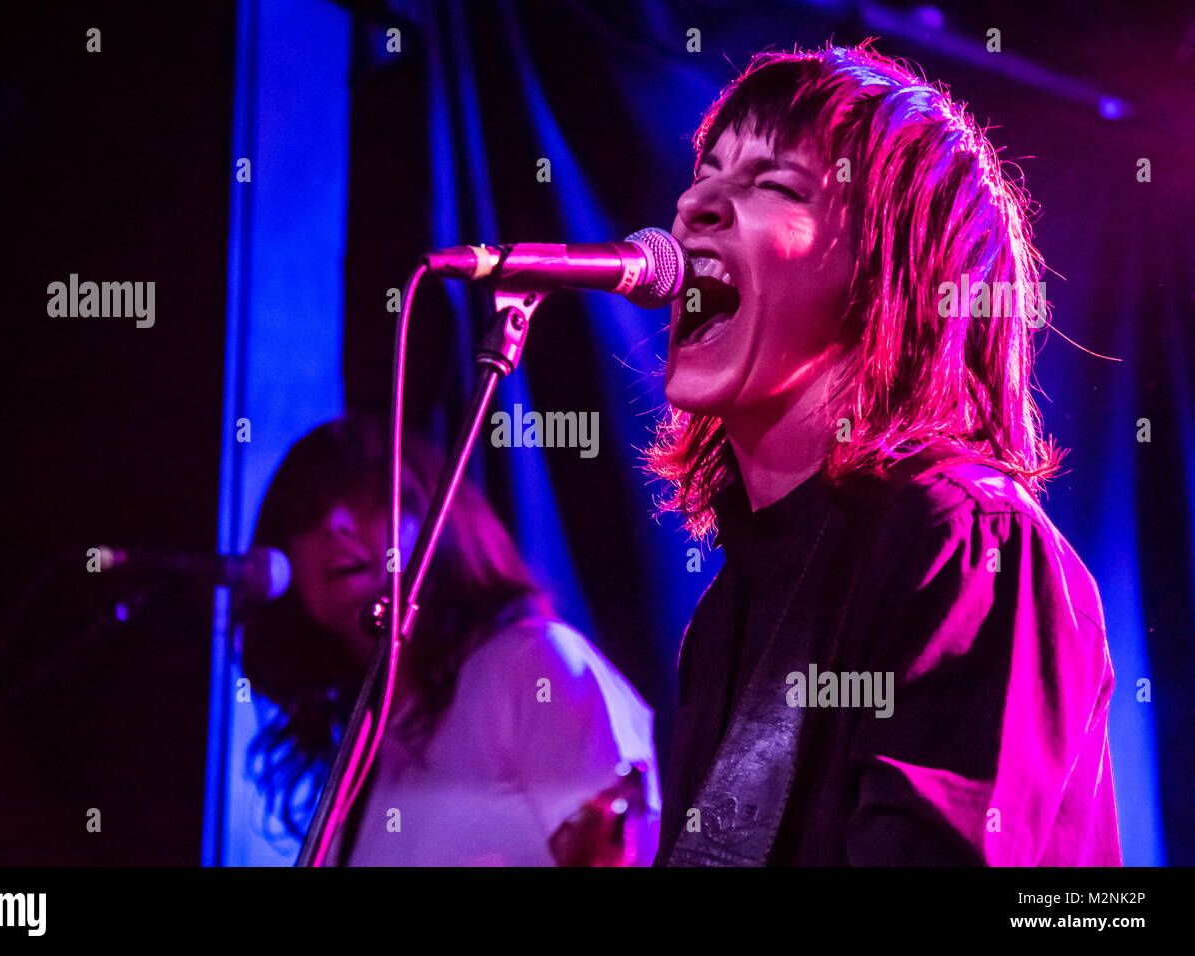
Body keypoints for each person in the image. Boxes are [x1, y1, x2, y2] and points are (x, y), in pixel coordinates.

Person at [646, 42, 1121, 866]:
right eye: (708, 171)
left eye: (774, 185)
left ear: (890, 272)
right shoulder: (728, 611)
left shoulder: (967, 548)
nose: (696, 205)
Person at [241, 414, 660, 866]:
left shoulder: (529, 663)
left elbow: (622, 853)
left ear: (437, 517)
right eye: (306, 516)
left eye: (370, 498)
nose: (335, 525)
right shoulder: (361, 751)